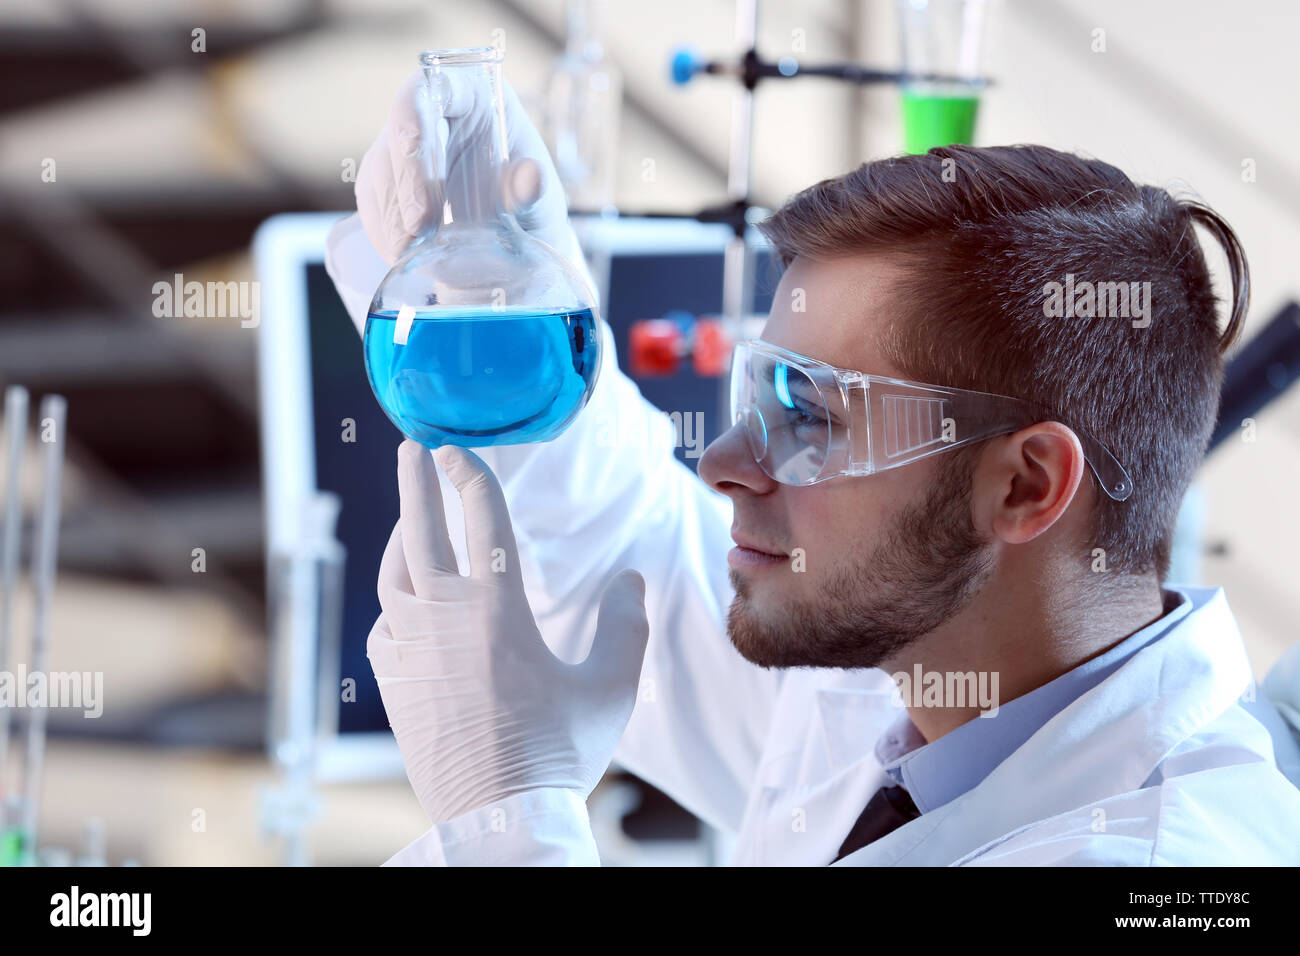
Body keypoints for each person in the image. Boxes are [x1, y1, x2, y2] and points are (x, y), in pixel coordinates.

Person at [325, 69, 1300, 866]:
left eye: (816, 416)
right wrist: (501, 268)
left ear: (1024, 485)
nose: (723, 462)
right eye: (761, 396)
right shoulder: (911, 689)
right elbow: (629, 544)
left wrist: (510, 821)